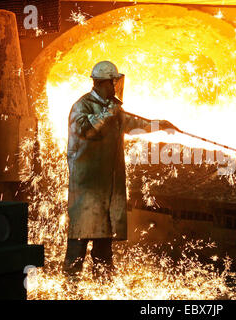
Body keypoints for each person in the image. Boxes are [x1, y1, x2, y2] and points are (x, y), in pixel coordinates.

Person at [63, 61, 177, 279]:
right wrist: (108, 112)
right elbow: (86, 130)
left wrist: (159, 125)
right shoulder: (82, 106)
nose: (115, 88)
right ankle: (70, 285)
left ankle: (104, 286)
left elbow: (133, 124)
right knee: (78, 243)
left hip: (108, 189)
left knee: (104, 249)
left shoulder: (113, 107)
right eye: (112, 83)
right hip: (87, 189)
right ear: (100, 83)